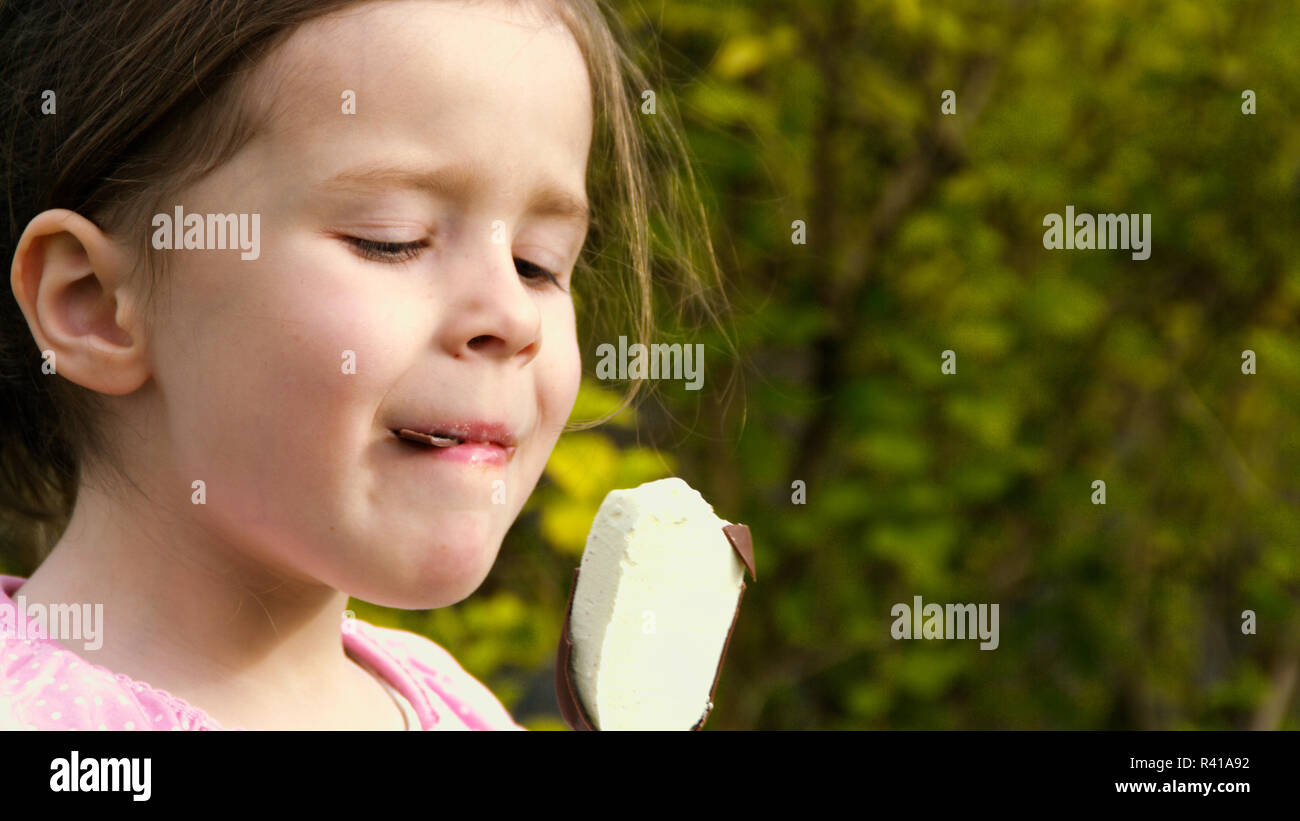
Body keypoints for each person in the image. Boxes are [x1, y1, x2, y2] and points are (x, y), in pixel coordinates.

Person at [0, 0, 725, 730]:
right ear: (92, 305)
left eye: (537, 264)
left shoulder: (458, 707)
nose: (512, 316)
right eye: (392, 239)